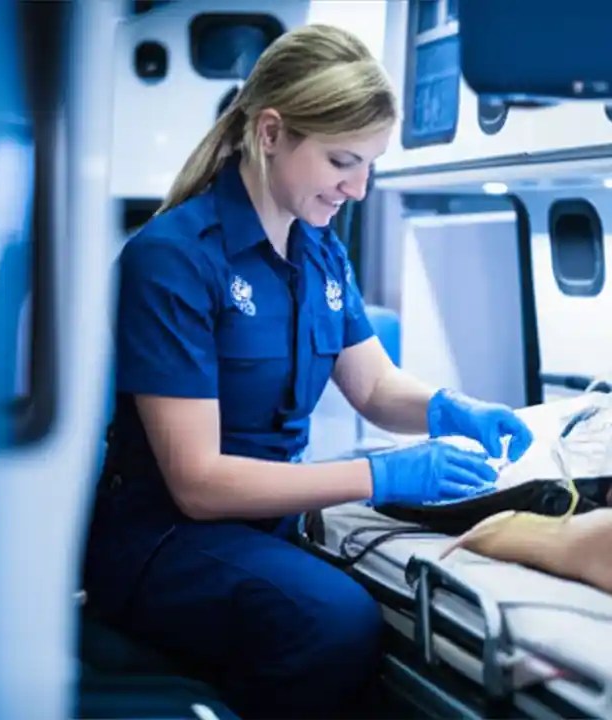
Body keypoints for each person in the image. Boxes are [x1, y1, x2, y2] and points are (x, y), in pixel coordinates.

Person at [81, 23, 534, 719]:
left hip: (265, 524)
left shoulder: (320, 253)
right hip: (165, 540)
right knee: (333, 620)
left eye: (371, 165)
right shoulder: (172, 259)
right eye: (342, 162)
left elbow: (375, 386)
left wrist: (451, 407)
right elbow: (197, 484)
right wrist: (385, 475)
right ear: (270, 134)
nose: (358, 189)